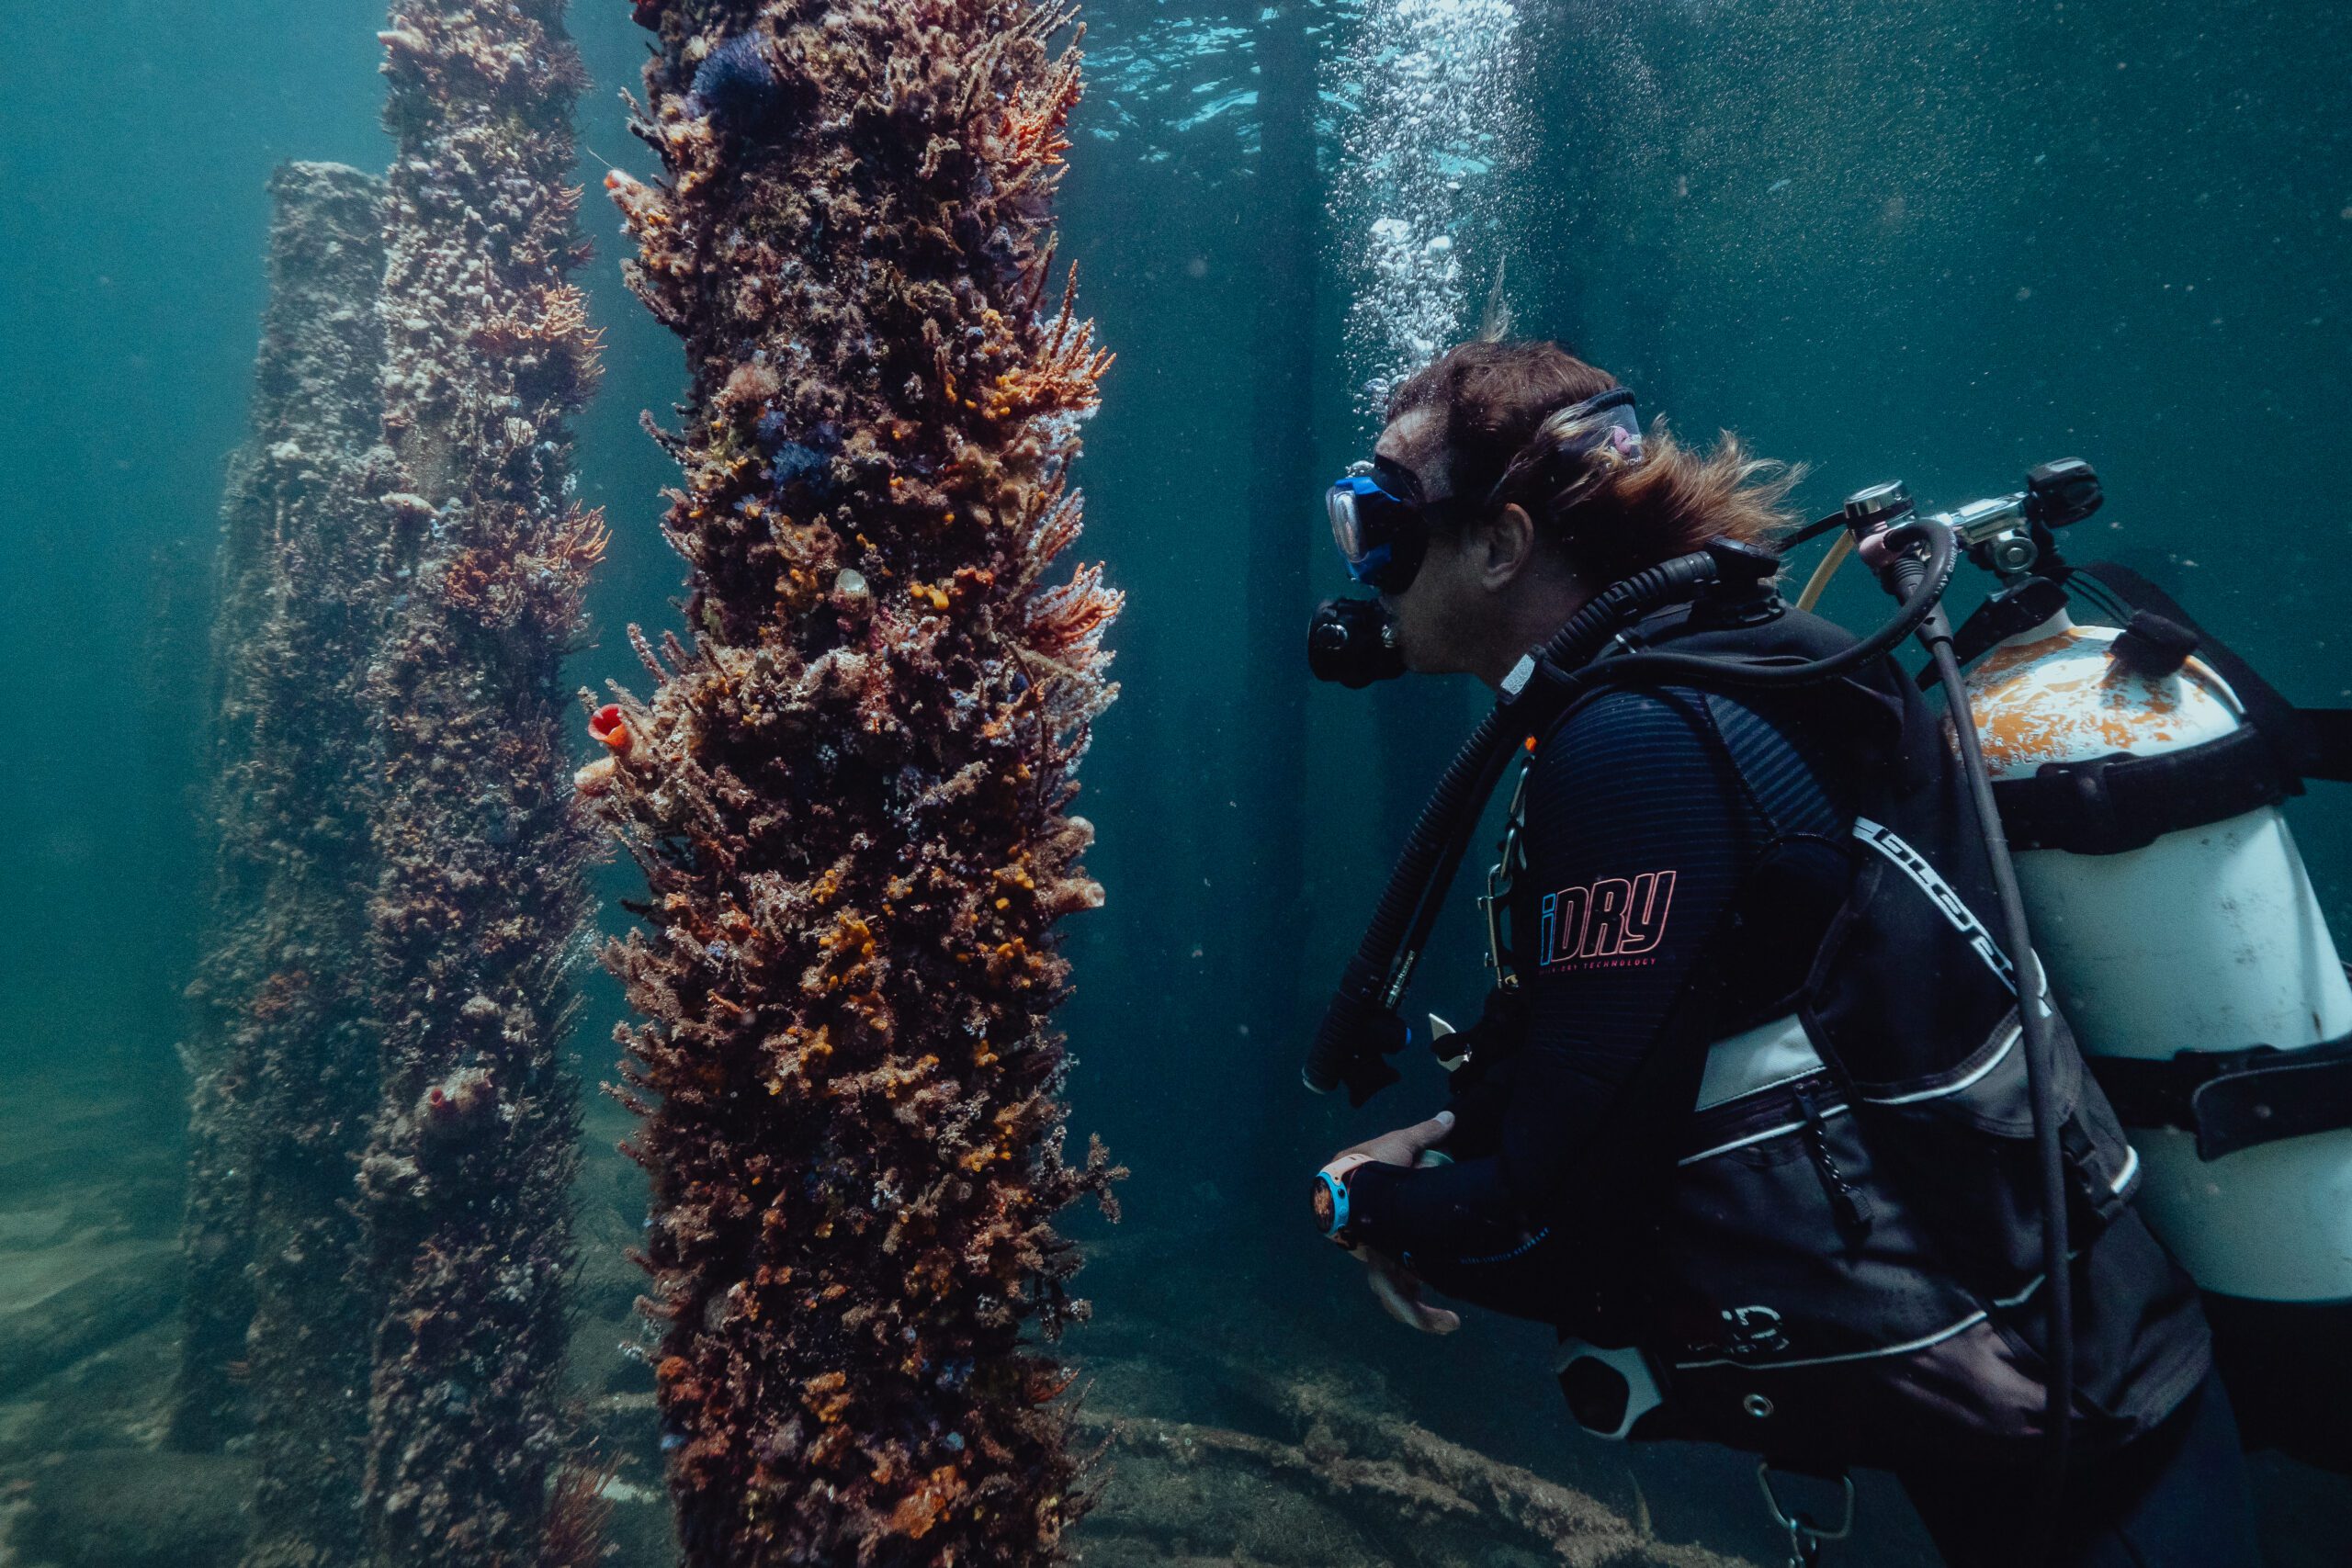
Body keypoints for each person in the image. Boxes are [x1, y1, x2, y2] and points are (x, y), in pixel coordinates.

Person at [1306, 339, 2265, 1566]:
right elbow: (1729, 1025)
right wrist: (1462, 1136)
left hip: (2075, 1463)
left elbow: (1556, 1223)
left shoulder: (1636, 743)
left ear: (1498, 546)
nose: (1365, 572)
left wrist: (1362, 1201)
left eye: (1378, 522)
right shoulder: (1755, 660)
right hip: (2086, 1377)